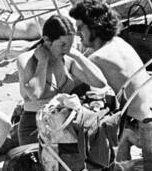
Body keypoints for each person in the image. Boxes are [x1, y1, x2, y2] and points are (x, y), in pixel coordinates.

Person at [69, 1, 152, 151]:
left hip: (131, 124)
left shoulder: (99, 58)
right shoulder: (117, 42)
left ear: (94, 27)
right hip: (143, 116)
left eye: (80, 28)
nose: (77, 33)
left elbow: (69, 86)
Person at [16, 13, 109, 143]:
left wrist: (77, 55)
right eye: (63, 44)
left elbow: (100, 82)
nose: (67, 49)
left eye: (70, 44)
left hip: (65, 124)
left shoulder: (67, 59)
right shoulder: (26, 60)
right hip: (36, 127)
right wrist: (42, 62)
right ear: (47, 40)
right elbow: (35, 94)